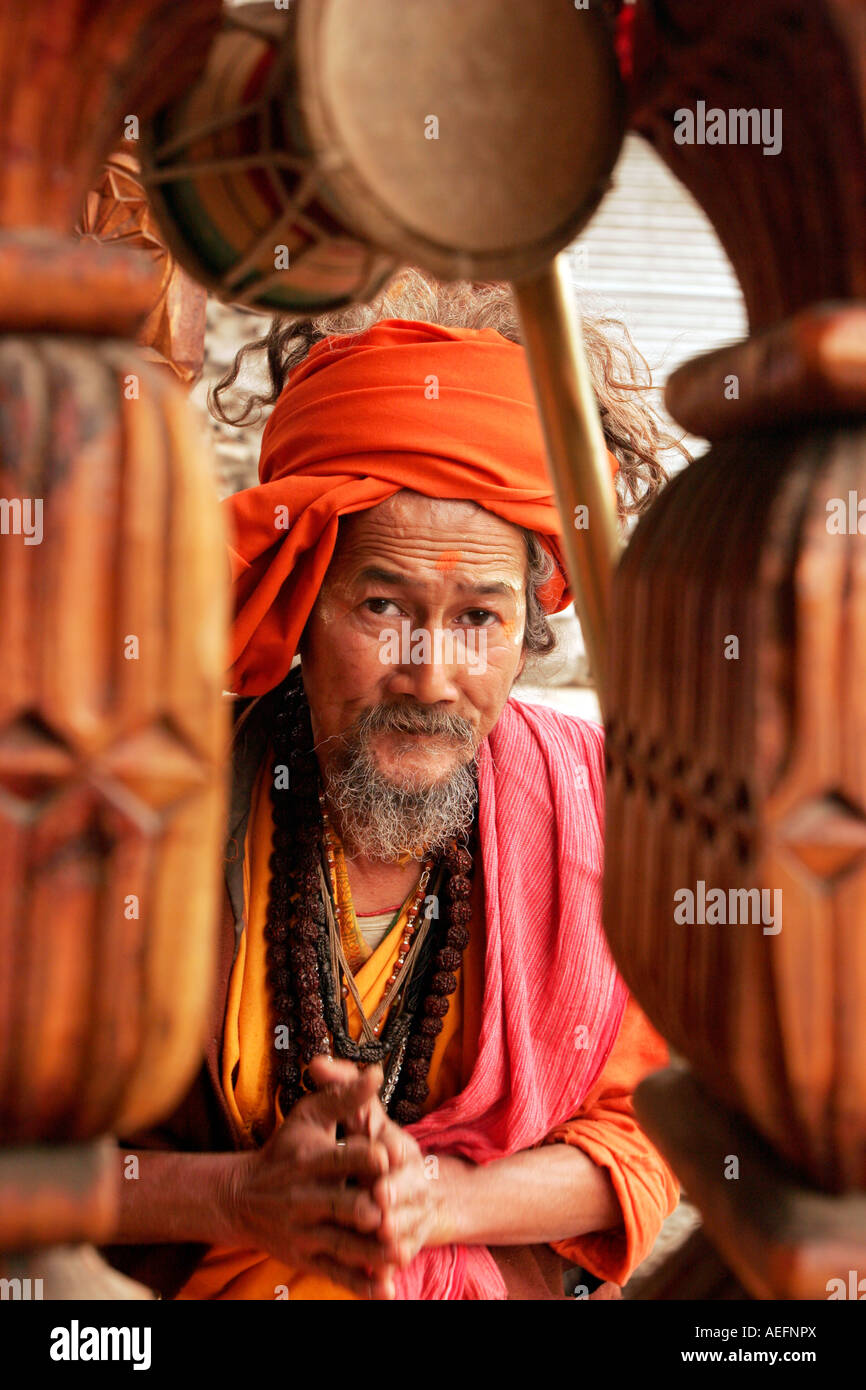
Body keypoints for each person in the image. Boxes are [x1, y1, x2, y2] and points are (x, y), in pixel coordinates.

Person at [105, 273, 682, 1301]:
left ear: (527, 631)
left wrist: (435, 1199)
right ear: (297, 599)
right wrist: (237, 1196)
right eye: (381, 603)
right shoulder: (146, 811)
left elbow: (648, 1139)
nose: (429, 674)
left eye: (478, 619)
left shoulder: (599, 807)